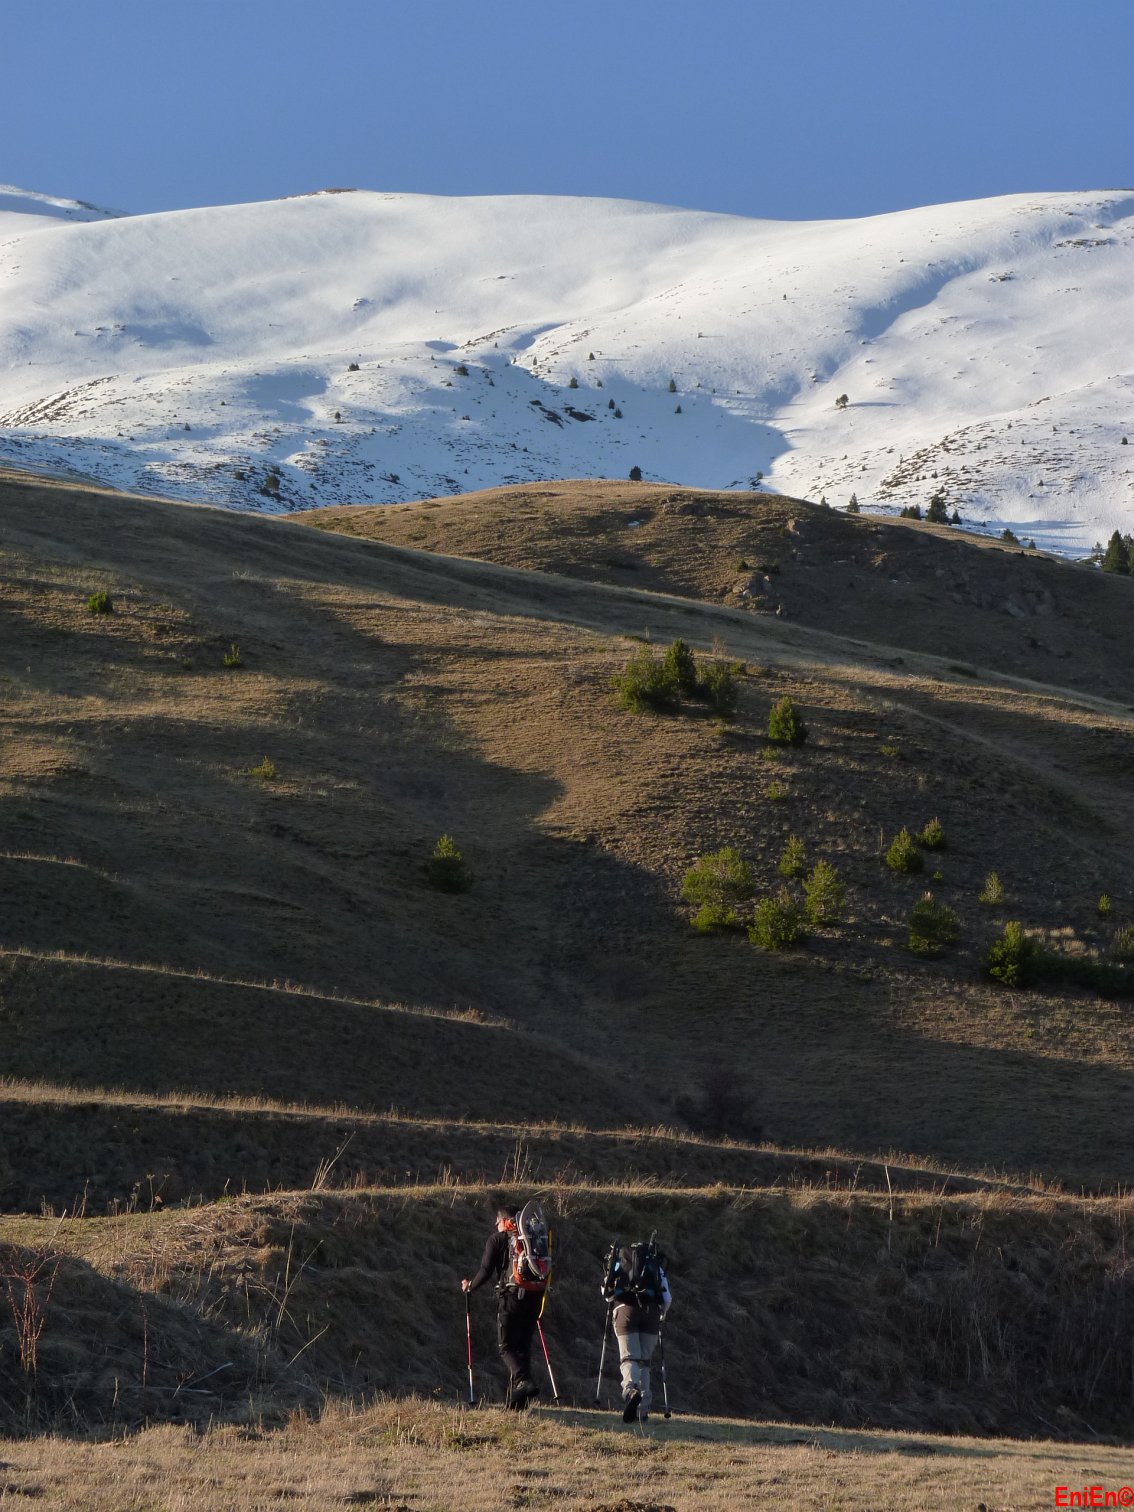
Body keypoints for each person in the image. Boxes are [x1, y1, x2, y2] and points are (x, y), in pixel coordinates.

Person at [462, 1204, 542, 1409]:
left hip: (511, 1296)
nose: (495, 1225)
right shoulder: (533, 1239)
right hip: (534, 1297)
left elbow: (486, 1269)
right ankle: (519, 1401)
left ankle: (523, 1382)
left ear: (503, 1221)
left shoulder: (497, 1239)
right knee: (522, 1347)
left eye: (496, 1221)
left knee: (506, 1346)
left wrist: (470, 1286)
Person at [604, 1237, 671, 1423]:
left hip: (625, 1310)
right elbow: (667, 1298)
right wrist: (661, 1315)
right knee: (644, 1362)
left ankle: (630, 1390)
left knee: (629, 1357)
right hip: (651, 1312)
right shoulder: (655, 1264)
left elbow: (607, 1293)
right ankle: (642, 1411)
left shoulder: (619, 1261)